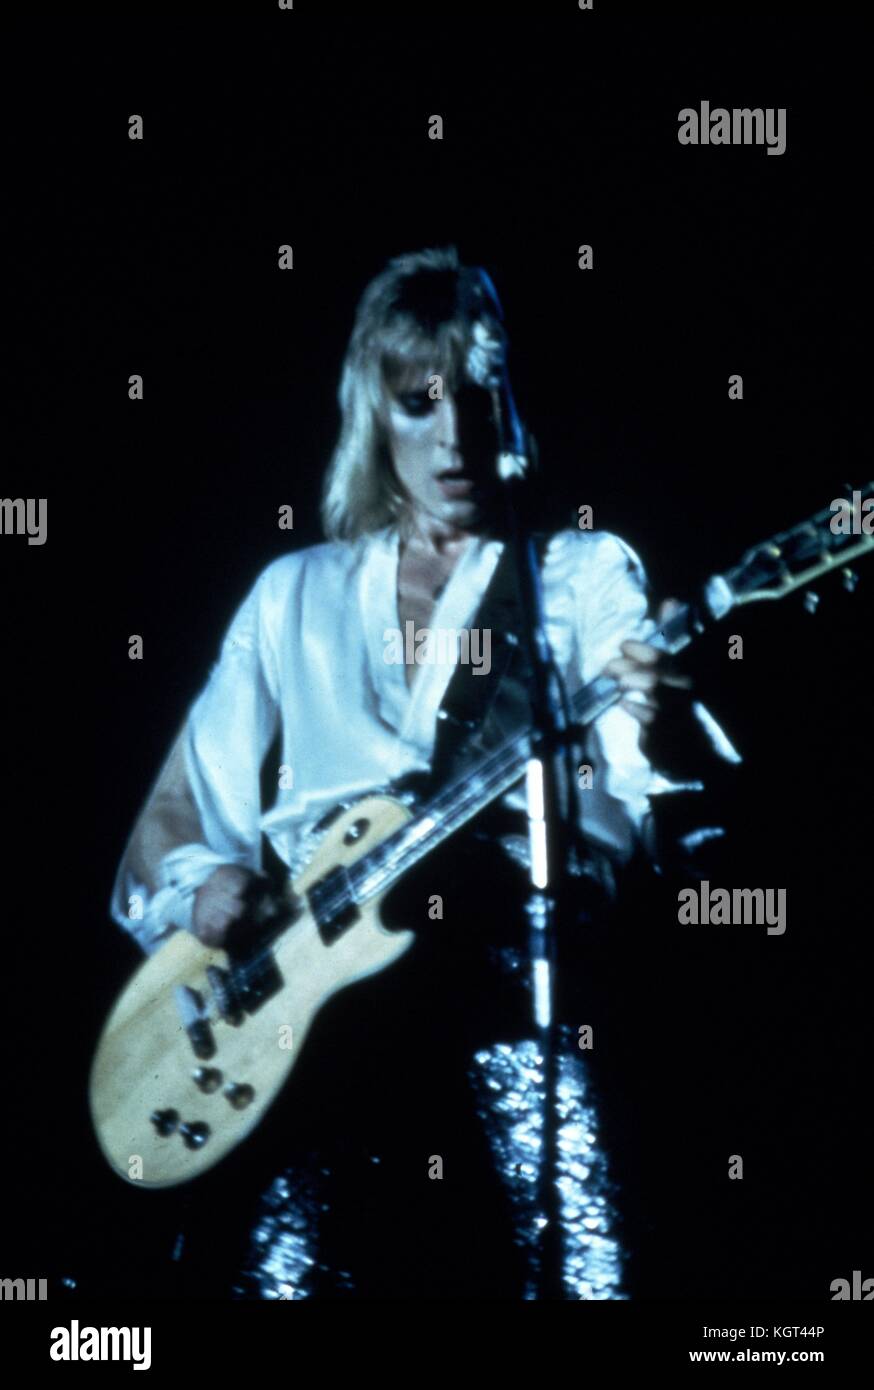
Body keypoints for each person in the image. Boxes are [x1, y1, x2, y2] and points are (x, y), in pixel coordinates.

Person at [110, 246, 736, 1299]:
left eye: (478, 399)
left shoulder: (577, 577)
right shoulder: (290, 595)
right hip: (299, 1037)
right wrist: (206, 885)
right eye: (418, 403)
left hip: (500, 1012)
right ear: (376, 413)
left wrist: (657, 727)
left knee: (587, 1283)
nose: (453, 437)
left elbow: (638, 816)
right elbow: (172, 817)